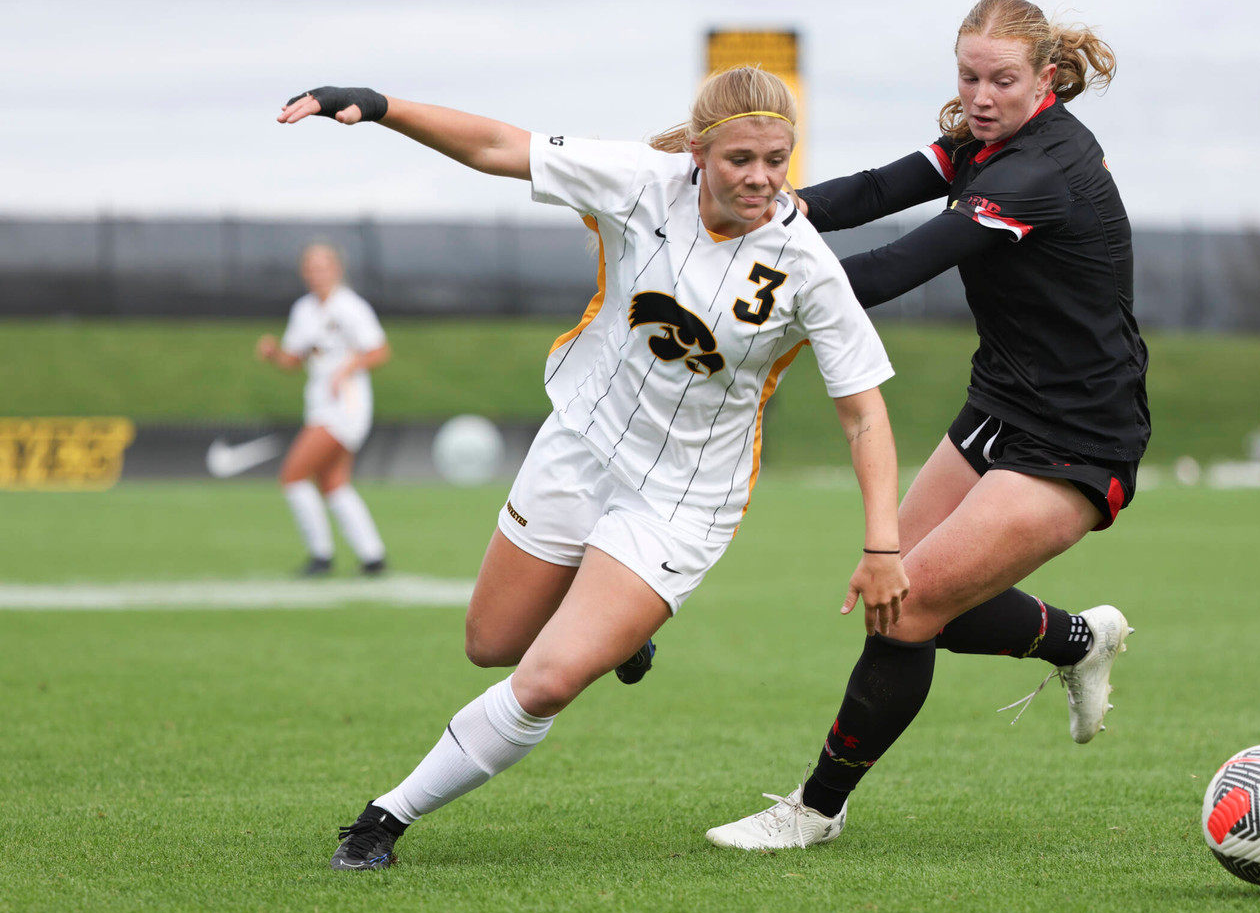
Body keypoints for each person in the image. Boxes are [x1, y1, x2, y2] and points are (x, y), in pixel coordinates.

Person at [275, 67, 909, 870]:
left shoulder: (807, 266)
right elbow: (500, 145)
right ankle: (621, 636)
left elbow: (865, 416)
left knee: (544, 682)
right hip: (580, 446)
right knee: (489, 643)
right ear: (700, 152)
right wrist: (380, 106)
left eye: (776, 160)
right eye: (740, 159)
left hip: (682, 499)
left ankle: (382, 820)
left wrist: (882, 546)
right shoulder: (641, 182)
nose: (760, 178)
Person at [705, 0, 1149, 850]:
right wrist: (759, 203)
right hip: (1000, 407)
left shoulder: (1039, 172)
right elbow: (873, 191)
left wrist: (749, 272)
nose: (981, 95)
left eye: (1003, 80)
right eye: (969, 75)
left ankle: (815, 810)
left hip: (1079, 439)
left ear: (1047, 78)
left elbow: (895, 267)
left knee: (904, 608)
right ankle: (1078, 639)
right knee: (892, 594)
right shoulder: (982, 143)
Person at [256, 242, 391, 576]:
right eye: (310, 268)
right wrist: (274, 353)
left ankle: (320, 556)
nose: (315, 274)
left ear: (336, 269)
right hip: (318, 404)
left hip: (345, 406)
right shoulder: (303, 310)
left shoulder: (351, 307)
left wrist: (346, 369)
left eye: (322, 267)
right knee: (333, 483)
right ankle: (373, 557)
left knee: (293, 476)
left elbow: (379, 351)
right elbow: (293, 358)